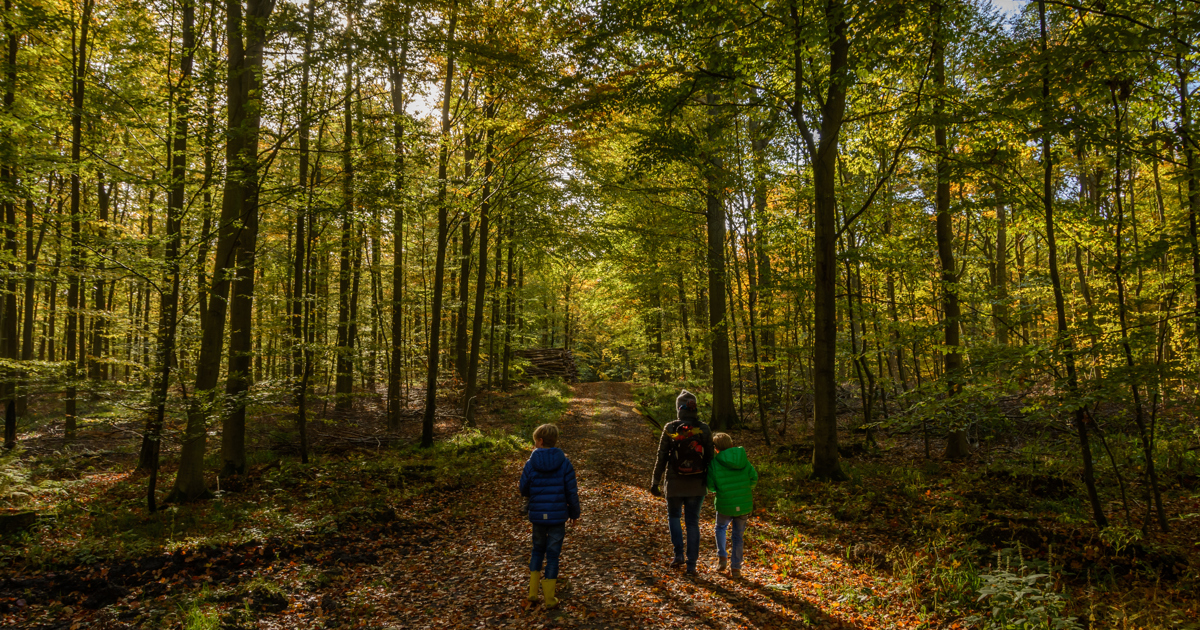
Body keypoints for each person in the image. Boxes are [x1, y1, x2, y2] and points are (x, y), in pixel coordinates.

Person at [650, 390, 714, 575]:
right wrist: (712, 482)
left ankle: (678, 555)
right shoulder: (704, 428)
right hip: (697, 483)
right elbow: (710, 456)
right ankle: (692, 564)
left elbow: (661, 456)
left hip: (675, 482)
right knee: (692, 522)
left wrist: (655, 481)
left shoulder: (670, 428)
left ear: (679, 409)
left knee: (674, 517)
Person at [519, 423, 581, 608]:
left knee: (537, 550)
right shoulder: (564, 463)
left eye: (534, 441)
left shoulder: (530, 463)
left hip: (538, 515)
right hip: (558, 516)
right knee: (553, 555)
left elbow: (523, 488)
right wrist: (574, 513)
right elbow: (572, 491)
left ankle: (532, 593)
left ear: (540, 441)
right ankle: (549, 598)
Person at [707, 432, 758, 578]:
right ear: (731, 444)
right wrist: (746, 490)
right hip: (743, 505)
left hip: (725, 503)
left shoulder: (714, 463)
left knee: (721, 528)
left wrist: (720, 491)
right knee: (738, 536)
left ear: (716, 449)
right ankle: (736, 568)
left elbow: (710, 486)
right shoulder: (743, 459)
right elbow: (754, 477)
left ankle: (722, 557)